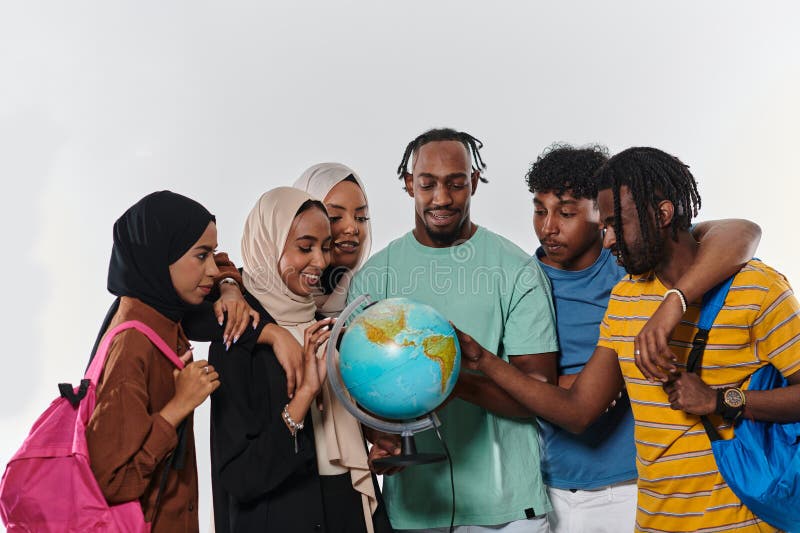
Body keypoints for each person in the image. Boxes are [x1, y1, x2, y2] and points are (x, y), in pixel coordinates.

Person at [458, 147, 800, 532]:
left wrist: (720, 399)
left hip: (740, 521)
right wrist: (483, 361)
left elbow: (739, 230)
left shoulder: (757, 289)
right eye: (604, 227)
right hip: (654, 522)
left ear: (663, 214)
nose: (607, 241)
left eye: (616, 226)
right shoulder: (626, 298)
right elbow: (577, 410)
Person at [525, 144, 762, 532]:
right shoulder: (524, 279)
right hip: (552, 485)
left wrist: (675, 301)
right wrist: (565, 386)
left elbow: (740, 232)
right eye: (539, 210)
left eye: (566, 212)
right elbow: (572, 401)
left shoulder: (634, 266)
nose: (548, 226)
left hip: (637, 486)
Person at [350, 128, 560, 532]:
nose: (442, 198)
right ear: (409, 184)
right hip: (415, 508)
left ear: (474, 183)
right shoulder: (374, 278)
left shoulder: (516, 270)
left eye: (456, 184)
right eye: (427, 184)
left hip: (509, 509)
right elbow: (360, 389)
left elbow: (539, 392)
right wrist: (381, 437)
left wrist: (445, 378)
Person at [209, 187, 388, 533]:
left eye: (324, 247)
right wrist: (303, 397)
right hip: (280, 515)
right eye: (305, 248)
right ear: (269, 244)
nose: (320, 262)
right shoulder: (238, 335)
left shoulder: (325, 326)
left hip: (346, 505)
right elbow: (240, 478)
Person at [85, 191, 222, 532]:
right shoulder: (134, 342)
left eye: (213, 254)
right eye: (201, 256)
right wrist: (178, 407)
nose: (214, 270)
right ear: (161, 255)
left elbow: (229, 273)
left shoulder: (163, 314)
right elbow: (109, 482)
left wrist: (231, 288)